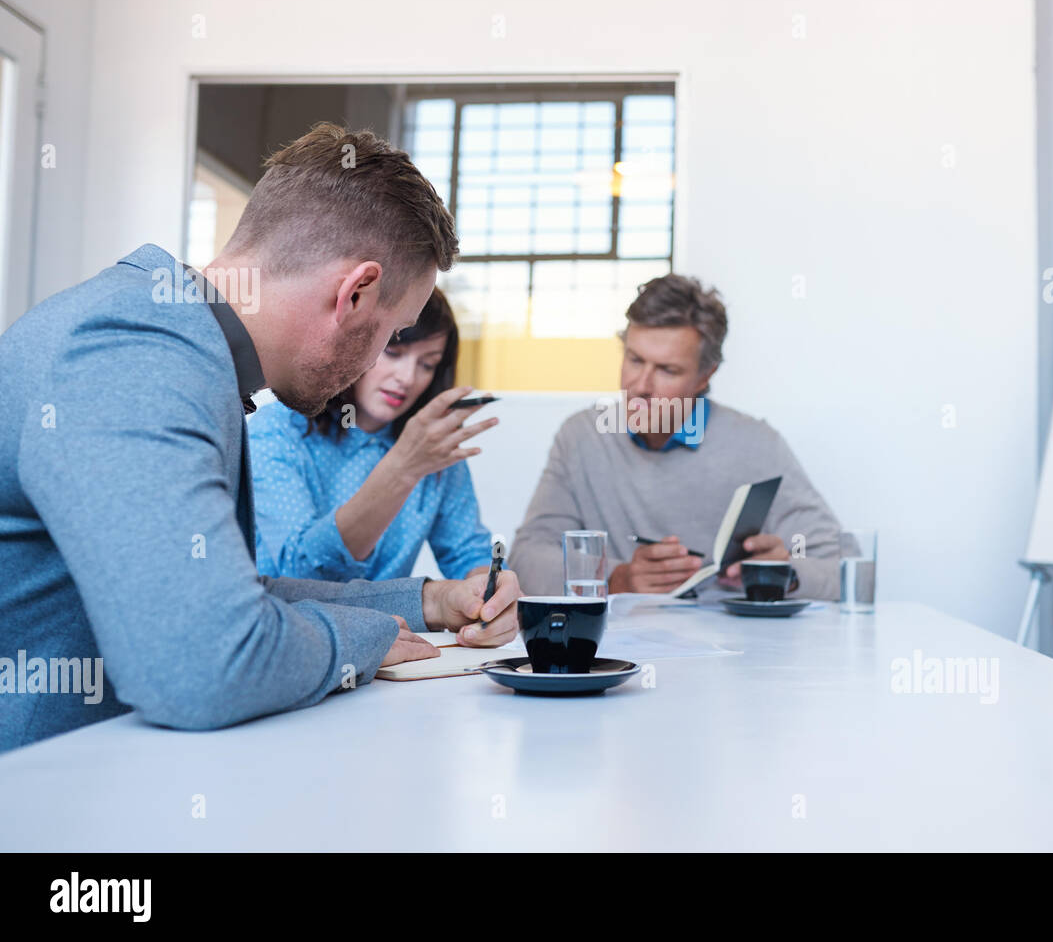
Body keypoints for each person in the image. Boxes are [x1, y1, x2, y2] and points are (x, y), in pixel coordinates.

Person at [0, 123, 520, 753]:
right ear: (355, 293)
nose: (387, 359)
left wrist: (429, 600)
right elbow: (205, 661)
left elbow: (220, 592)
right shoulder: (138, 354)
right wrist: (365, 637)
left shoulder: (175, 337)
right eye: (392, 332)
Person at [509, 274, 841, 598]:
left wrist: (788, 574)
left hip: (729, 647)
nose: (641, 386)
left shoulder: (756, 444)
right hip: (616, 646)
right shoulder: (582, 437)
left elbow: (841, 566)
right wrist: (617, 577)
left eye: (667, 370)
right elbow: (526, 558)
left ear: (704, 376)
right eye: (634, 360)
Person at [249, 286, 501, 583]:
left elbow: (467, 553)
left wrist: (491, 588)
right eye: (393, 353)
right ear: (354, 343)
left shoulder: (431, 444)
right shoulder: (277, 431)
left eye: (427, 364)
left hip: (392, 629)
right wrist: (403, 468)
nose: (407, 378)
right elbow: (302, 571)